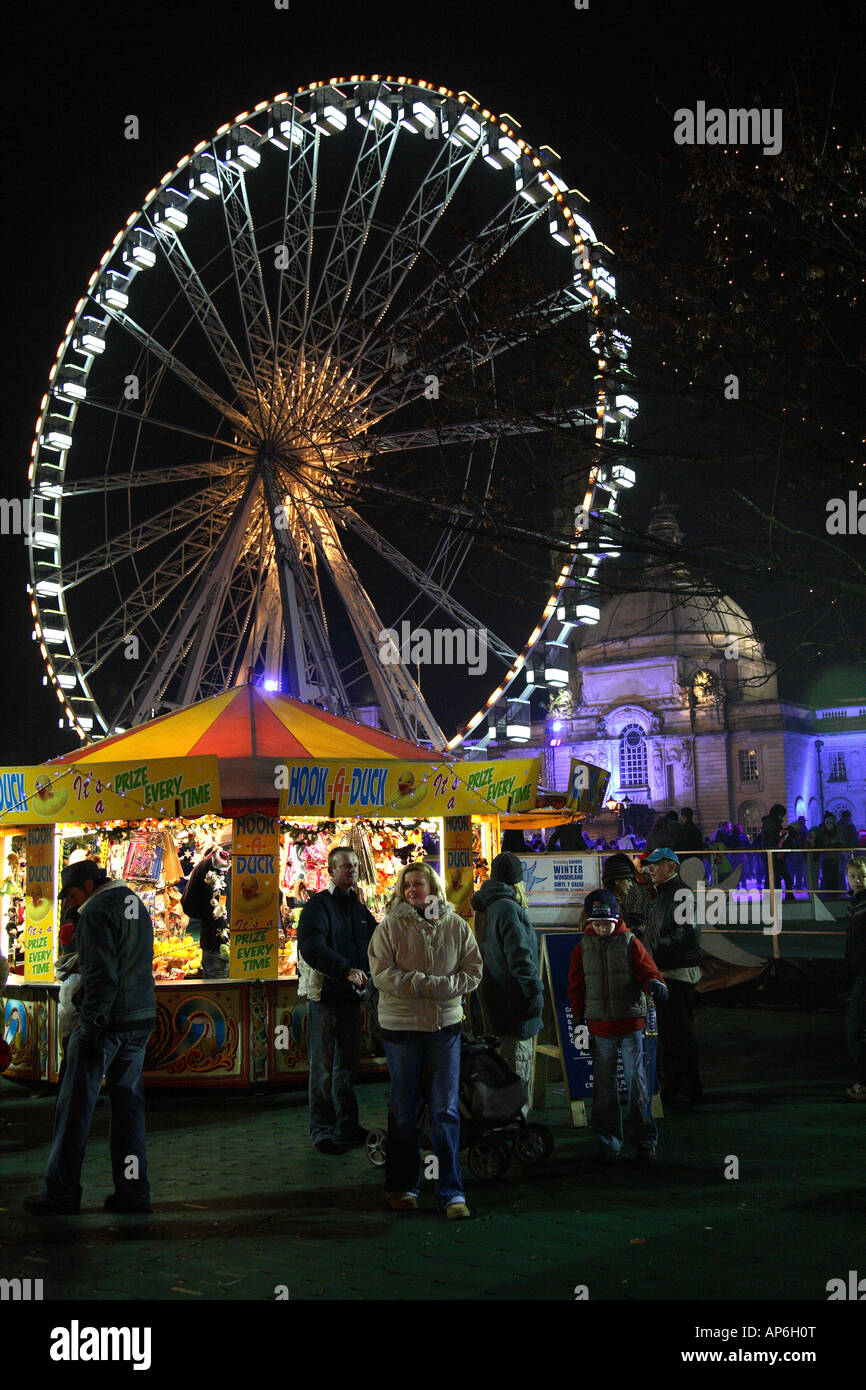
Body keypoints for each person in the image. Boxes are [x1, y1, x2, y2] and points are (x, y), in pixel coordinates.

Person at [25, 860, 155, 1215]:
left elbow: (101, 975)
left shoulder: (96, 911)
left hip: (108, 1023)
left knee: (74, 1108)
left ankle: (62, 1192)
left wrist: (91, 1024)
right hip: (140, 1019)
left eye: (70, 895)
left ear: (86, 885)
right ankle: (133, 1191)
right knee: (128, 1110)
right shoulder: (133, 902)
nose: (69, 904)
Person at [368, 862, 482, 1217]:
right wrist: (423, 984)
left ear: (433, 887)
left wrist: (446, 988)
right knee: (403, 1111)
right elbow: (382, 973)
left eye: (419, 884)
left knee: (445, 1109)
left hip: (444, 1028)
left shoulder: (456, 926)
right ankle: (402, 1185)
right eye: (407, 886)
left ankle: (451, 1191)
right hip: (402, 1030)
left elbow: (473, 970)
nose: (413, 890)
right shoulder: (389, 927)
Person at [568, 888, 668, 1163]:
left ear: (616, 919)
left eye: (606, 923)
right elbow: (576, 987)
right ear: (589, 922)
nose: (602, 929)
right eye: (596, 924)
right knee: (604, 1088)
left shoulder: (629, 942)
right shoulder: (582, 948)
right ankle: (608, 1140)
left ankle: (644, 1140)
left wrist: (655, 985)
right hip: (599, 1028)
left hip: (631, 1024)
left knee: (637, 1083)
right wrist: (578, 1020)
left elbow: (648, 970)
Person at [297, 846, 377, 1155]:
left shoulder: (359, 909)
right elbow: (311, 947)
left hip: (352, 1001)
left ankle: (347, 1125)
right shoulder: (318, 906)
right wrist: (345, 970)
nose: (352, 870)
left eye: (355, 866)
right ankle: (322, 1130)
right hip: (325, 998)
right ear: (330, 871)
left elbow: (376, 941)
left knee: (347, 1066)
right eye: (345, 866)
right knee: (323, 1067)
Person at [471, 851, 543, 1115]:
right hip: (515, 1001)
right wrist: (534, 992)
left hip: (493, 997)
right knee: (518, 1065)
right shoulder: (509, 908)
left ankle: (504, 1118)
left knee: (504, 1064)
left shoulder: (485, 906)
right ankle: (517, 1126)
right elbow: (520, 957)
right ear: (517, 881)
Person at [643, 848, 704, 1106]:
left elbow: (686, 935)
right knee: (674, 1032)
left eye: (656, 865)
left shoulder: (676, 894)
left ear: (671, 866)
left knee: (677, 1032)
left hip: (675, 971)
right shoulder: (668, 893)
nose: (650, 869)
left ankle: (685, 1086)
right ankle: (682, 1084)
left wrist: (653, 952)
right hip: (673, 970)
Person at [181, 829, 231, 976]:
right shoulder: (255, 861)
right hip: (252, 944)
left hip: (215, 942)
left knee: (218, 994)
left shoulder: (205, 865)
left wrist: (208, 915)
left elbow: (188, 904)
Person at [843, 856, 866, 1101]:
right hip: (859, 973)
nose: (857, 881)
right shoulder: (854, 904)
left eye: (862, 876)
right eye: (853, 877)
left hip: (863, 976)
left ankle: (863, 1083)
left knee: (855, 1030)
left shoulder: (859, 905)